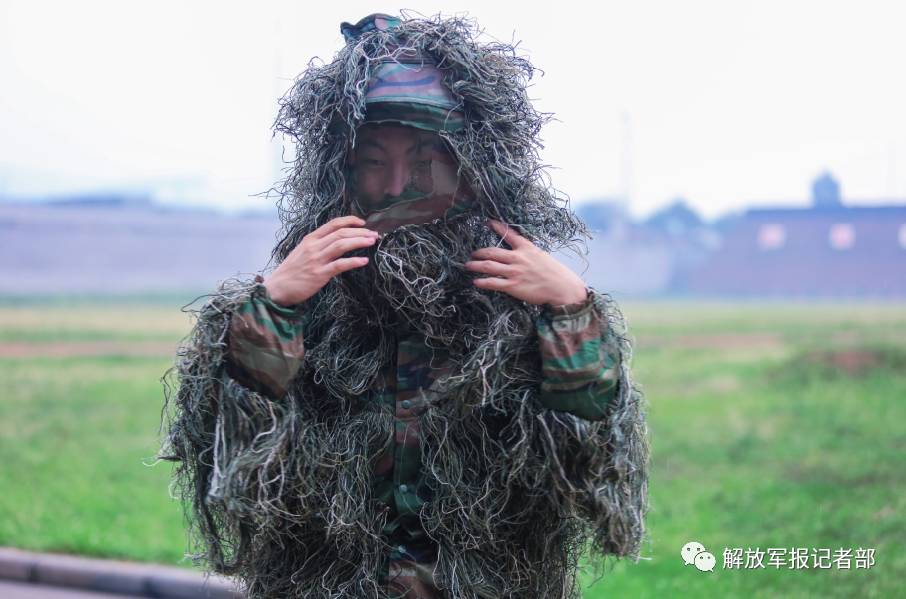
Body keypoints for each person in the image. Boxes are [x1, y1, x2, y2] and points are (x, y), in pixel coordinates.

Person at [160, 12, 649, 599]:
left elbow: (587, 472)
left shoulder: (522, 308)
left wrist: (571, 310)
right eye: (373, 162)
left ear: (471, 173)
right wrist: (274, 306)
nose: (396, 189)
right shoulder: (305, 303)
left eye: (423, 163)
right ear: (341, 173)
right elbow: (237, 461)